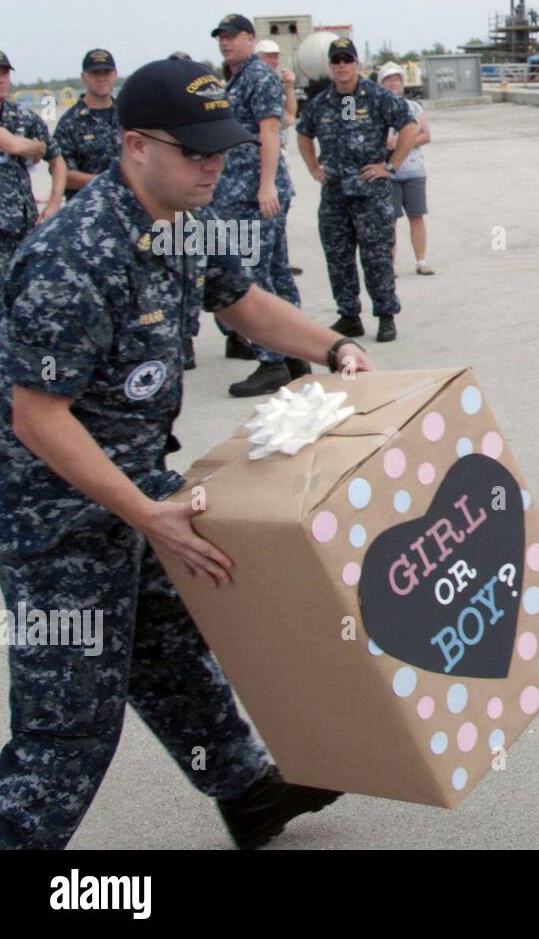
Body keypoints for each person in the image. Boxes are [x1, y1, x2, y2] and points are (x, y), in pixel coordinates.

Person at [0, 57, 375, 850]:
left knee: (174, 652)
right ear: (134, 145)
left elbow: (240, 302)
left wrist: (337, 346)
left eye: (222, 150)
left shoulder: (181, 223)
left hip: (142, 490)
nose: (216, 165)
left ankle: (247, 793)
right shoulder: (73, 256)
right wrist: (145, 514)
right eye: (196, 151)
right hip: (56, 519)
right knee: (66, 728)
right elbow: (37, 418)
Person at [210, 13, 308, 397]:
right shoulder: (236, 79)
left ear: (250, 39)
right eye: (220, 37)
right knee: (279, 273)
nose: (225, 42)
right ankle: (295, 354)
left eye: (232, 36)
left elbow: (271, 130)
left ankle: (272, 362)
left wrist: (266, 186)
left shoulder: (257, 77)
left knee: (253, 275)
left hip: (255, 194)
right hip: (243, 192)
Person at [296, 37, 416, 343]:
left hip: (370, 195)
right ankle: (349, 316)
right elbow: (303, 133)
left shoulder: (376, 96)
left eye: (346, 60)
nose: (341, 66)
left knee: (377, 259)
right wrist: (313, 167)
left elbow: (408, 125)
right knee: (338, 258)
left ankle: (385, 316)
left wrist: (390, 166)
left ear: (356, 63)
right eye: (336, 60)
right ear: (330, 65)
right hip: (334, 196)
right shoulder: (321, 103)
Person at [0, 49, 66, 280]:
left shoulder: (23, 117)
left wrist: (54, 202)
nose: (1, 79)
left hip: (23, 229)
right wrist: (35, 148)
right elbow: (13, 146)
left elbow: (57, 160)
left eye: (5, 73)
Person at [377, 62, 433, 275]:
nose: (393, 83)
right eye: (389, 79)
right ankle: (390, 264)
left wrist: (402, 142)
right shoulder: (375, 107)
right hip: (387, 172)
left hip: (414, 171)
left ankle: (421, 260)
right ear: (381, 83)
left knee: (417, 216)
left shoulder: (413, 107)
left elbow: (426, 134)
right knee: (389, 220)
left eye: (397, 79)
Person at [255, 39, 303, 277]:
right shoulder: (257, 83)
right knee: (267, 218)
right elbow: (284, 119)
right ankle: (272, 266)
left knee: (280, 215)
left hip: (280, 156)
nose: (273, 60)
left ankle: (280, 262)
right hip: (264, 159)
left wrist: (289, 88)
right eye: (268, 56)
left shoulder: (276, 83)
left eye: (275, 56)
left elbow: (291, 115)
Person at [52, 48, 121, 202]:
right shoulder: (70, 122)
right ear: (84, 77)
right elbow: (63, 174)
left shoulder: (128, 116)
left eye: (106, 73)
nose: (101, 78)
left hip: (128, 208)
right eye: (96, 73)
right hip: (88, 212)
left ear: (115, 75)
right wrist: (108, 182)